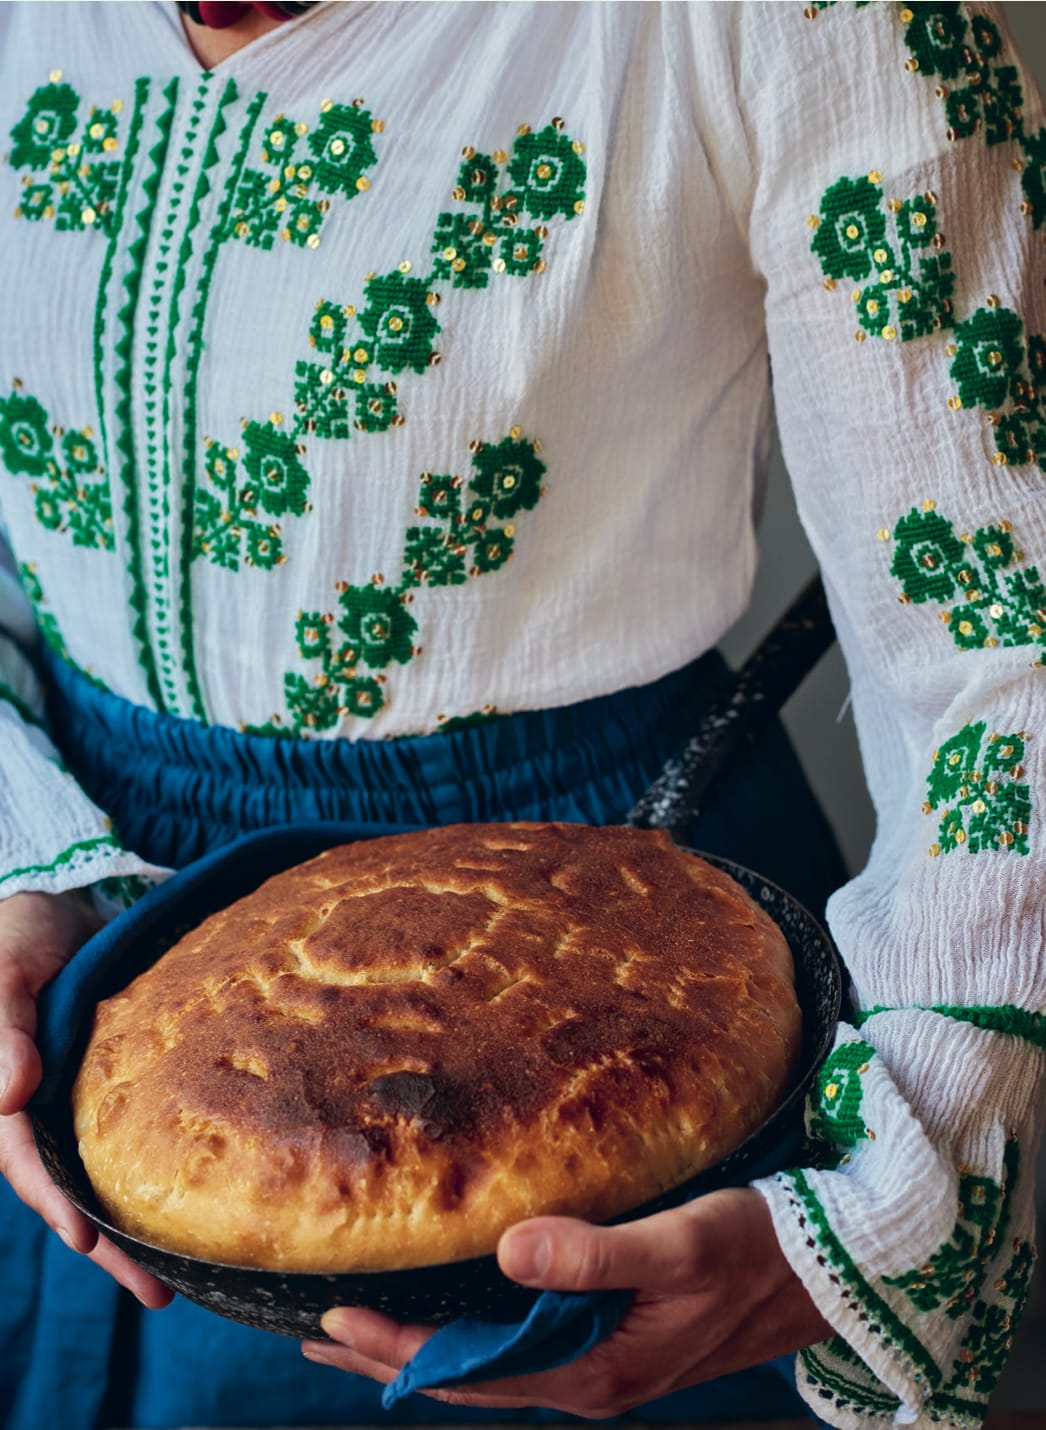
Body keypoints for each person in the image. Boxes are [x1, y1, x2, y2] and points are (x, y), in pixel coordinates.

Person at [0, 2, 1042, 1428]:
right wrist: (16, 850)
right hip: (62, 952)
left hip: (607, 986)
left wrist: (881, 1190)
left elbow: (999, 628)